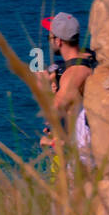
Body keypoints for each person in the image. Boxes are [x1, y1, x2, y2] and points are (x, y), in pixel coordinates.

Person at [38, 12, 97, 166]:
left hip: (79, 158)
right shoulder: (89, 57)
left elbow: (51, 111)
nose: (49, 42)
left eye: (50, 38)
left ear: (58, 41)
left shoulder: (73, 74)